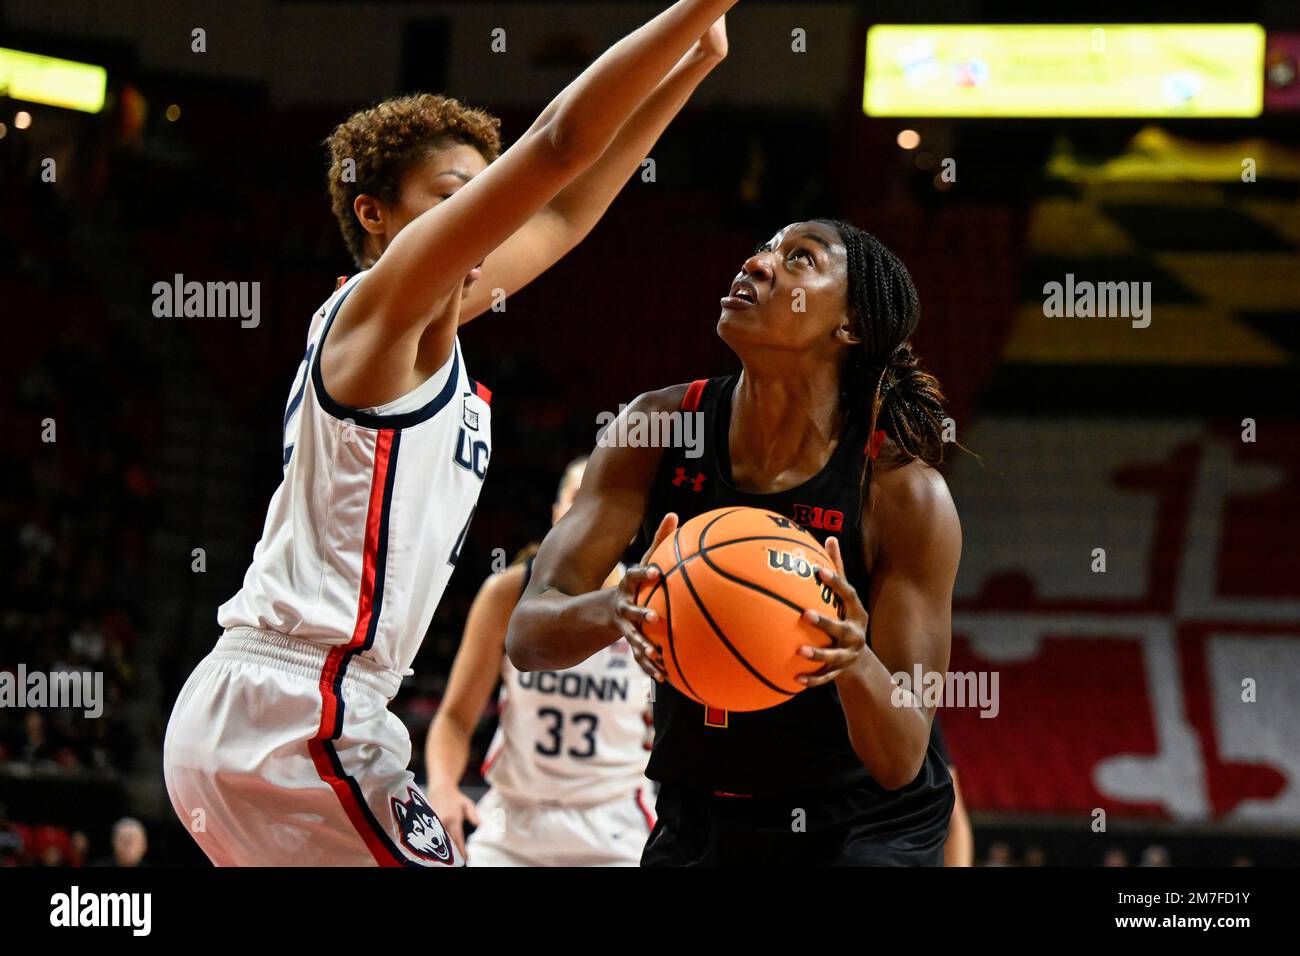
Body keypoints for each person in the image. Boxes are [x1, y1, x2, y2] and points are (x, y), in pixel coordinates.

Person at [164, 0, 739, 867]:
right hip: (296, 711)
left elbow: (562, 216)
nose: (486, 217)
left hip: (298, 708)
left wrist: (692, 65)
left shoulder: (430, 327)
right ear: (374, 216)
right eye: (454, 199)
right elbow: (556, 149)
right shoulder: (378, 316)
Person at [507, 219, 962, 865]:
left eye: (799, 259)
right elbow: (528, 635)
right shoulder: (656, 428)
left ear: (851, 325)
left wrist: (853, 658)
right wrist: (619, 608)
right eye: (761, 248)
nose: (756, 264)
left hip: (862, 824)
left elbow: (901, 757)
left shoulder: (903, 495)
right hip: (701, 808)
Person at [426, 458, 655, 866]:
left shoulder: (654, 600)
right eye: (577, 498)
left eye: (603, 501)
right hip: (514, 822)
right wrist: (442, 789)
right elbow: (454, 720)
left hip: (615, 823)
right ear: (555, 515)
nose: (589, 511)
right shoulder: (506, 593)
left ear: (630, 524)